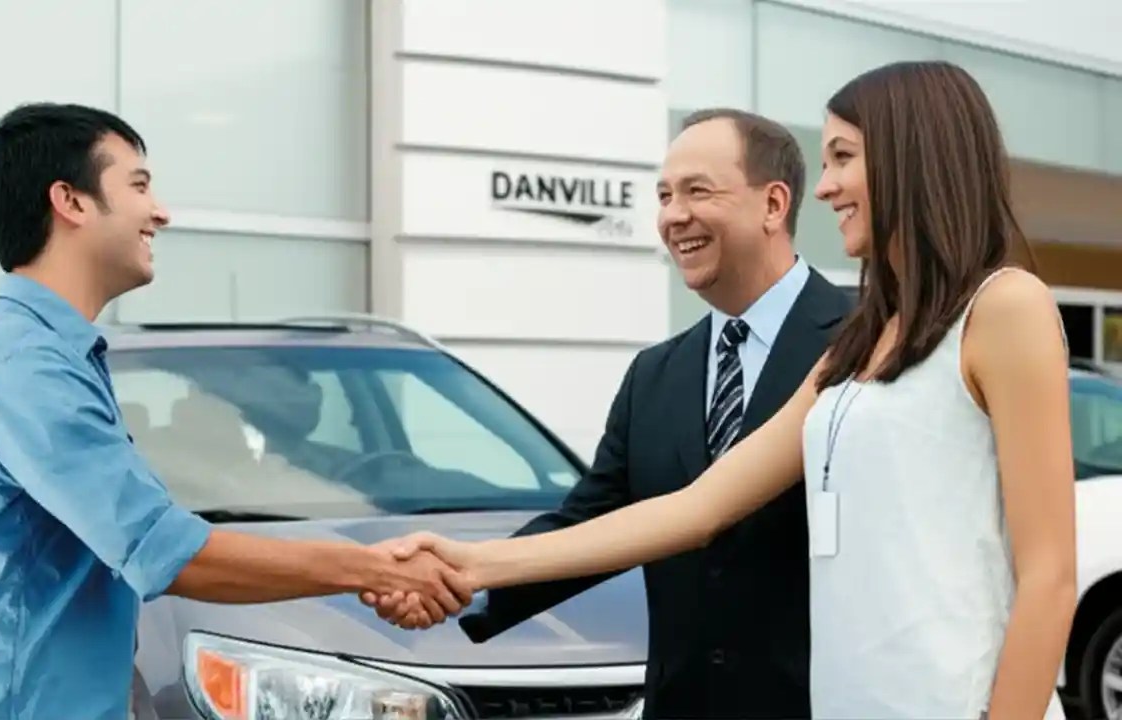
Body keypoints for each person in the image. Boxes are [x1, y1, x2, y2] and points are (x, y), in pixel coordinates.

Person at [377, 60, 1078, 720]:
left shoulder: (1005, 307)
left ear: (910, 153)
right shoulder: (864, 339)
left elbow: (1048, 576)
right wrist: (470, 562)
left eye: (842, 157)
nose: (826, 186)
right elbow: (694, 510)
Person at [0, 103, 470, 720]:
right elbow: (167, 550)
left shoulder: (38, 351)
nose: (160, 212)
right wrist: (375, 569)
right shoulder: (27, 366)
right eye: (139, 185)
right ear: (71, 201)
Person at [369, 109, 853, 718]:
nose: (674, 216)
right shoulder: (655, 375)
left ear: (774, 205)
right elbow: (587, 524)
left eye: (697, 191)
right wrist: (458, 587)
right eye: (664, 195)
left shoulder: (867, 342)